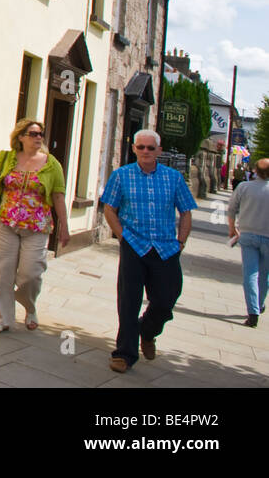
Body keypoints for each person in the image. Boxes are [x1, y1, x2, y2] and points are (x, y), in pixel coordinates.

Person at [100, 129, 197, 372]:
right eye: (140, 147)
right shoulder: (121, 176)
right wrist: (122, 236)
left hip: (165, 248)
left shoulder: (173, 178)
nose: (145, 152)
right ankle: (124, 354)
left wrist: (181, 242)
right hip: (134, 245)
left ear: (159, 151)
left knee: (166, 299)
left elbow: (186, 211)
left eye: (150, 148)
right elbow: (109, 209)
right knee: (129, 301)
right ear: (133, 149)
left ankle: (147, 330)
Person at [0, 118, 69, 332]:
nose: (38, 138)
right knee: (1, 272)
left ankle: (29, 305)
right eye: (33, 134)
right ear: (21, 137)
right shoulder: (6, 158)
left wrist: (64, 227)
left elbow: (58, 197)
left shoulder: (52, 165)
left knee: (30, 274)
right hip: (6, 221)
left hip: (37, 227)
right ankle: (0, 318)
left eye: (40, 134)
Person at [228, 157, 269, 327]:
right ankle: (258, 305)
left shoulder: (244, 187)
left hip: (248, 235)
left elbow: (231, 209)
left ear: (255, 171)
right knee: (265, 275)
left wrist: (232, 228)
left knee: (250, 274)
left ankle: (253, 312)